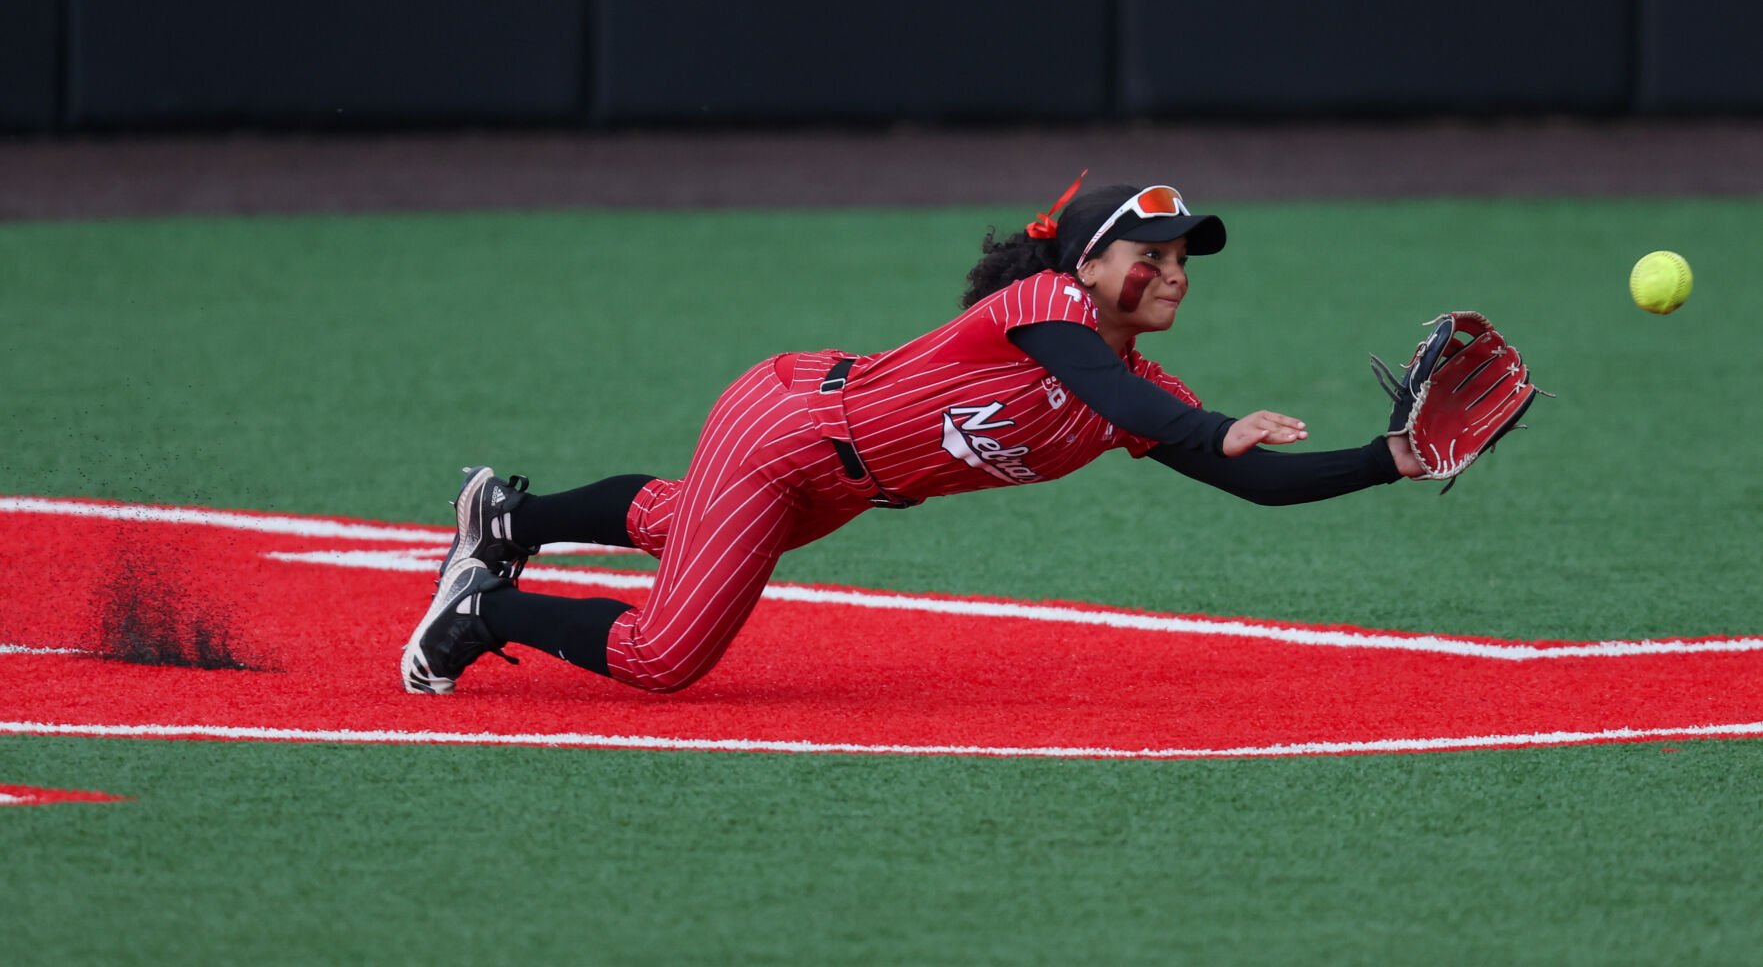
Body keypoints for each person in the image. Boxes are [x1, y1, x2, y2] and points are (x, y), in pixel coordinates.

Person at [401, 177, 1424, 695]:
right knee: (664, 655)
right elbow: (1124, 400)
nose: (1172, 270)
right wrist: (1210, 425)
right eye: (1148, 252)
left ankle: (504, 514)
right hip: (788, 422)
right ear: (1088, 257)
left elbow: (1258, 484)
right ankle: (486, 609)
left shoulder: (1139, 385)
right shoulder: (1043, 304)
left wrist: (1394, 460)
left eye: (1181, 257)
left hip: (847, 482)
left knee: (681, 525)